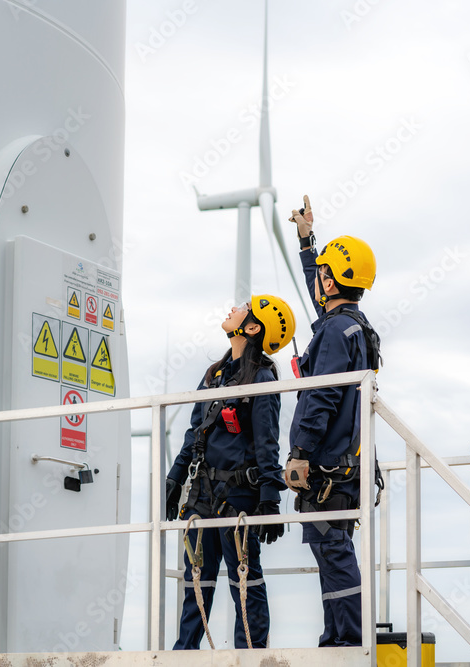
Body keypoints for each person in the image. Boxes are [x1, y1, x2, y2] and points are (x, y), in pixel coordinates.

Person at [165, 295, 295, 650]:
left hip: (237, 496)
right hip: (201, 495)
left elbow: (268, 443)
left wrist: (270, 500)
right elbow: (195, 435)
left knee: (245, 583)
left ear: (252, 327)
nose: (232, 308)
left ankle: (250, 655)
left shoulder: (263, 379)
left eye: (241, 307)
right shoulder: (214, 377)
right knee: (196, 584)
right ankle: (185, 655)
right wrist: (174, 481)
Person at [284, 195, 381, 647]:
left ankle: (348, 642)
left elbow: (321, 396)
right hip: (348, 466)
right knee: (332, 551)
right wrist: (308, 244)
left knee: (333, 552)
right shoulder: (352, 326)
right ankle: (336, 639)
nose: (317, 278)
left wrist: (300, 452)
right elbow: (320, 289)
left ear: (332, 280)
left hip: (326, 465)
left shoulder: (332, 332)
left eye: (322, 271)